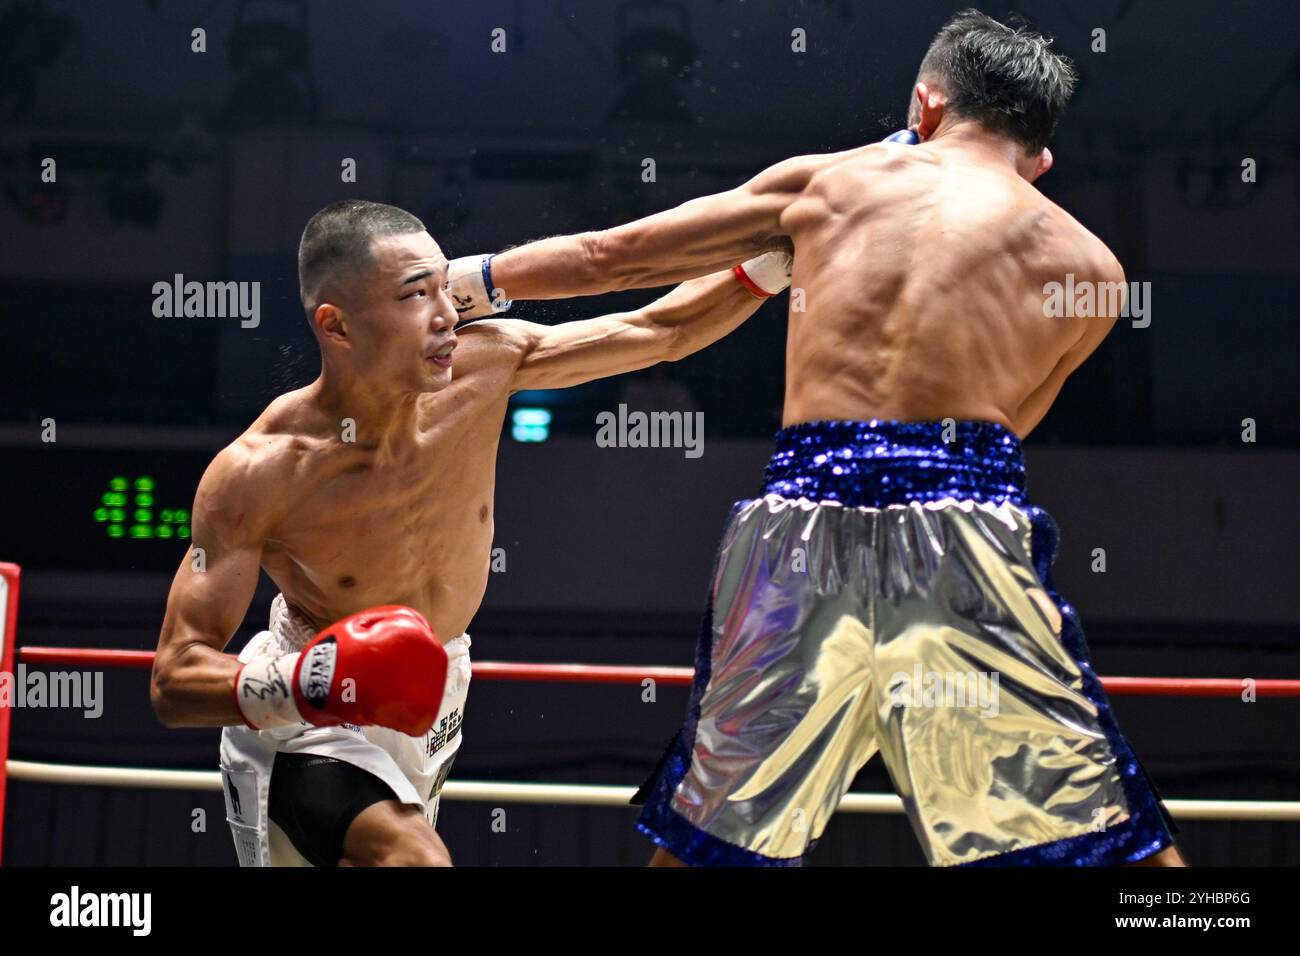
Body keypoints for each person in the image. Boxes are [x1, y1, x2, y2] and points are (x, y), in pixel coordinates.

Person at [478, 10, 1185, 867]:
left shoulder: (830, 184)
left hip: (803, 518)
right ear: (1041, 158)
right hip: (963, 521)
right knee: (1102, 837)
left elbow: (607, 256)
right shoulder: (1095, 273)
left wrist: (459, 283)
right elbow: (1009, 428)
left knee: (712, 833)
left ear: (924, 104)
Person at [149, 198, 791, 867]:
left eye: (443, 286)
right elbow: (173, 679)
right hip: (306, 725)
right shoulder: (261, 472)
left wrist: (775, 259)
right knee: (416, 860)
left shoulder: (486, 366)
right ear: (336, 327)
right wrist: (310, 681)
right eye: (414, 295)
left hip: (439, 697)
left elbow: (662, 330)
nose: (447, 314)